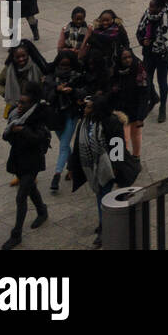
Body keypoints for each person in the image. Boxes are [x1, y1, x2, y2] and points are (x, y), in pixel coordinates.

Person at [65, 92, 128, 245]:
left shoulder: (111, 123)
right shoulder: (85, 123)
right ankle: (104, 224)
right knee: (99, 195)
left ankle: (104, 228)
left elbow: (118, 145)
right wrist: (72, 167)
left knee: (103, 197)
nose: (85, 109)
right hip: (91, 166)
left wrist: (116, 167)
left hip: (106, 167)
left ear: (96, 109)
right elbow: (78, 146)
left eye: (88, 107)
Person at [0, 83, 52, 250]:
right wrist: (14, 131)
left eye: (24, 103)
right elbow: (7, 136)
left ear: (33, 104)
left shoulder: (38, 117)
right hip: (18, 159)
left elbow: (38, 138)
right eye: (19, 102)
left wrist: (22, 130)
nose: (19, 105)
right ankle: (42, 211)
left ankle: (16, 234)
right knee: (30, 189)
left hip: (32, 161)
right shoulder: (15, 115)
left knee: (21, 196)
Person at [43, 50, 85, 194]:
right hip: (55, 116)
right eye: (62, 65)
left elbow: (82, 93)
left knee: (64, 145)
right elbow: (46, 95)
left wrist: (72, 91)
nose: (65, 68)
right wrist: (56, 90)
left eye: (68, 66)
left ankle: (57, 175)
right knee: (65, 145)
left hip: (71, 114)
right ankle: (73, 167)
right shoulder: (51, 77)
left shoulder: (78, 77)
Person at [137, 0, 168, 124]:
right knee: (146, 79)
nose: (150, 9)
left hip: (162, 55)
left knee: (162, 81)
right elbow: (139, 32)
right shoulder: (147, 16)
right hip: (149, 54)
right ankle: (153, 98)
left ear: (160, 7)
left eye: (153, 7)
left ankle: (162, 107)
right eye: (150, 6)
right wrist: (143, 41)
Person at [110, 47, 148, 158]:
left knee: (136, 134)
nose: (127, 60)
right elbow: (111, 90)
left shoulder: (139, 69)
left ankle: (136, 157)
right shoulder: (115, 71)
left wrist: (141, 116)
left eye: (129, 57)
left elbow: (144, 93)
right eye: (124, 58)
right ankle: (123, 161)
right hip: (121, 110)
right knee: (123, 138)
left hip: (135, 108)